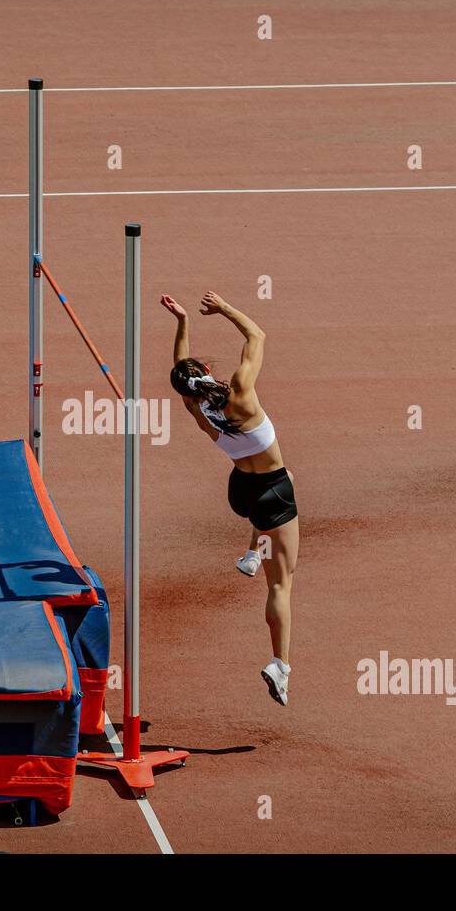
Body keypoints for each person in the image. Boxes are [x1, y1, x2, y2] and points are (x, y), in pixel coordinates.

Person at [161, 290, 299, 706]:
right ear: (206, 370)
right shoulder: (241, 390)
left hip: (241, 490)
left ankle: (251, 554)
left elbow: (179, 371)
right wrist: (223, 310)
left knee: (278, 491)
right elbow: (257, 334)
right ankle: (281, 664)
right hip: (272, 492)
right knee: (282, 585)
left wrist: (182, 321)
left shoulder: (195, 408)